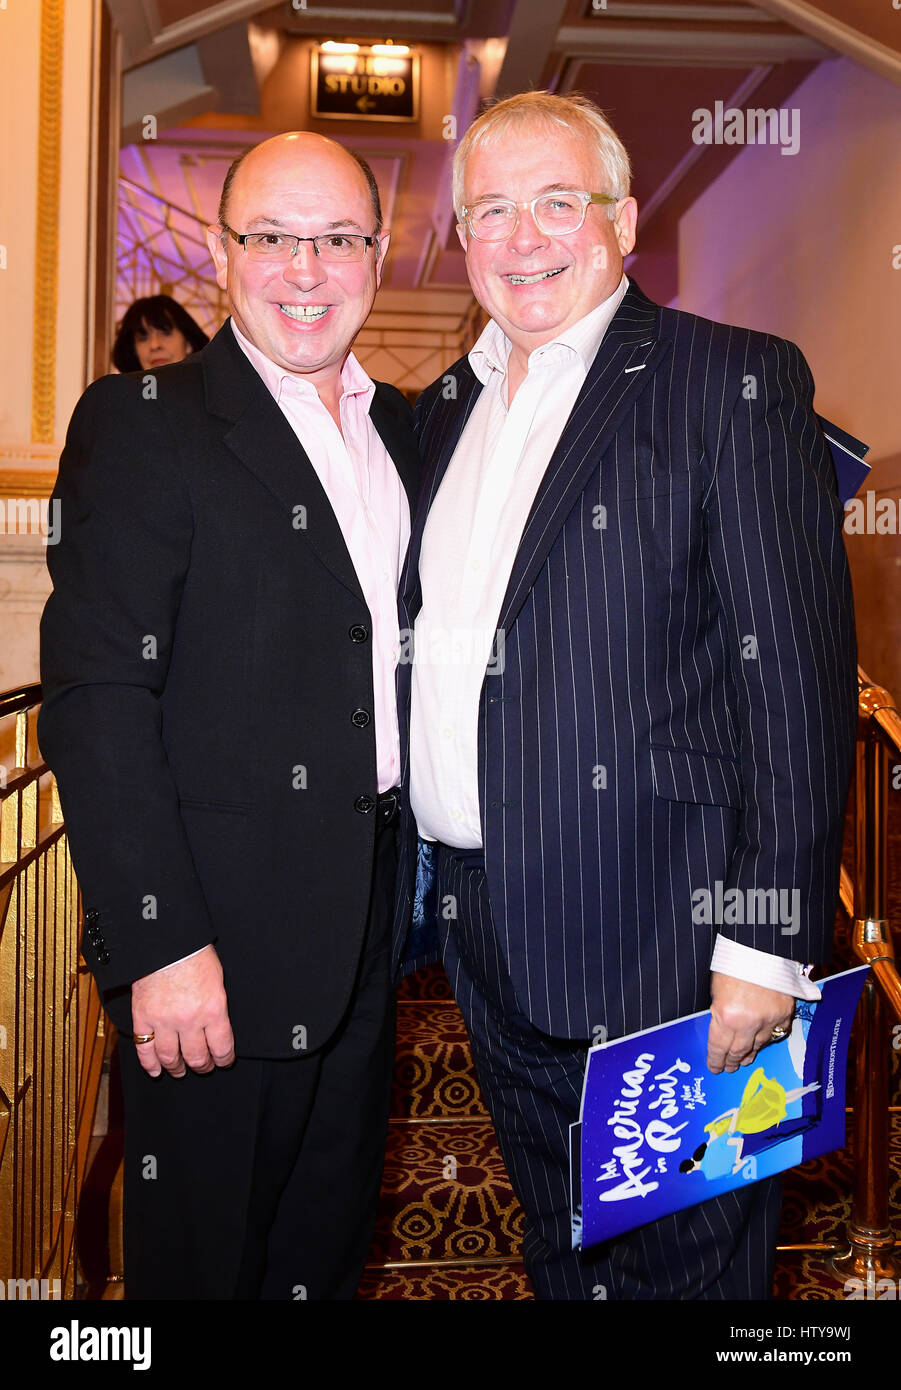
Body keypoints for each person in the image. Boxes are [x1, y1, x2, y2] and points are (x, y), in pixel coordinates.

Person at [393, 92, 857, 1300]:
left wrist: (765, 941)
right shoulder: (445, 411)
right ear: (461, 235)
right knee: (564, 1257)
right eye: (491, 210)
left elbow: (796, 686)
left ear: (624, 221)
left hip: (672, 944)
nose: (523, 236)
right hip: (488, 936)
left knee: (690, 1272)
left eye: (559, 201)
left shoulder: (730, 380)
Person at [39, 131, 419, 1300]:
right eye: (271, 237)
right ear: (219, 251)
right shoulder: (145, 419)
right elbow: (98, 698)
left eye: (337, 238)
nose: (306, 269)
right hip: (213, 948)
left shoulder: (406, 432)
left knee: (321, 1256)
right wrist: (159, 943)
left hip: (370, 925)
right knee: (202, 1274)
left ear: (379, 252)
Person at [111, 293, 209, 372]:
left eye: (165, 333)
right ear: (134, 351)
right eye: (143, 338)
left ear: (188, 343)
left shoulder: (211, 389)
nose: (154, 345)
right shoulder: (120, 391)